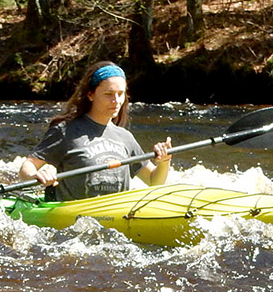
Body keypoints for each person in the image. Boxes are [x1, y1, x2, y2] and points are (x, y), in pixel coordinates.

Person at [18, 61, 172, 201]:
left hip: (115, 214)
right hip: (73, 216)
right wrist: (36, 176)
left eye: (120, 94)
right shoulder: (65, 131)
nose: (116, 101)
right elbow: (28, 166)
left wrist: (164, 161)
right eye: (109, 94)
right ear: (90, 95)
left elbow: (153, 181)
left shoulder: (126, 137)